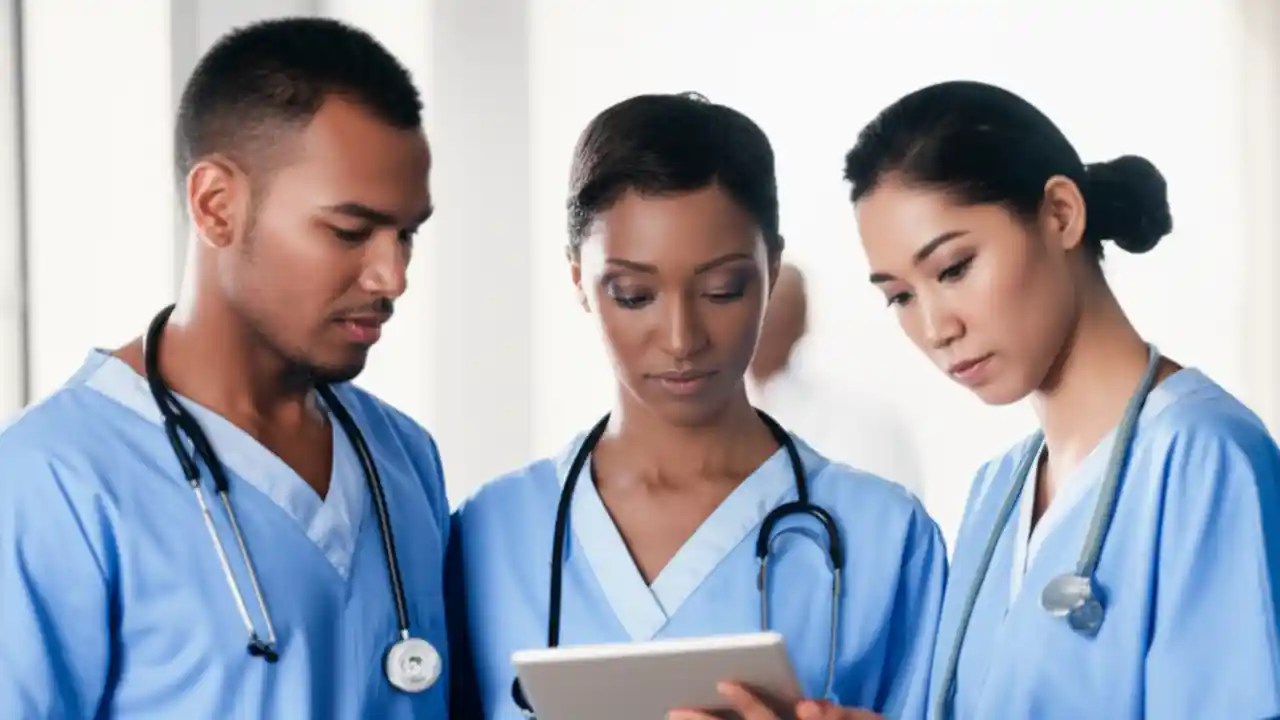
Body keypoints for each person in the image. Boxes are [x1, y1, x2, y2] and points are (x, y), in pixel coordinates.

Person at [0, 18, 451, 717]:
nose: (393, 276)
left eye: (407, 234)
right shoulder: (51, 481)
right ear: (216, 206)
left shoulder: (405, 458)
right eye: (349, 232)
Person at [448, 92, 946, 720]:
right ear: (578, 279)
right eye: (633, 294)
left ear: (771, 268)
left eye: (722, 290)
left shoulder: (883, 536)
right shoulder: (492, 532)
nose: (682, 338)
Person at [843, 79, 1280, 719]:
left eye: (955, 268)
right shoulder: (996, 494)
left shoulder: (1204, 460)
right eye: (900, 297)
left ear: (1059, 214)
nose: (936, 328)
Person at [747, 262, 924, 496]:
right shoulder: (701, 416)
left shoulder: (866, 423)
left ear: (803, 322)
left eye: (781, 310)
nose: (767, 326)